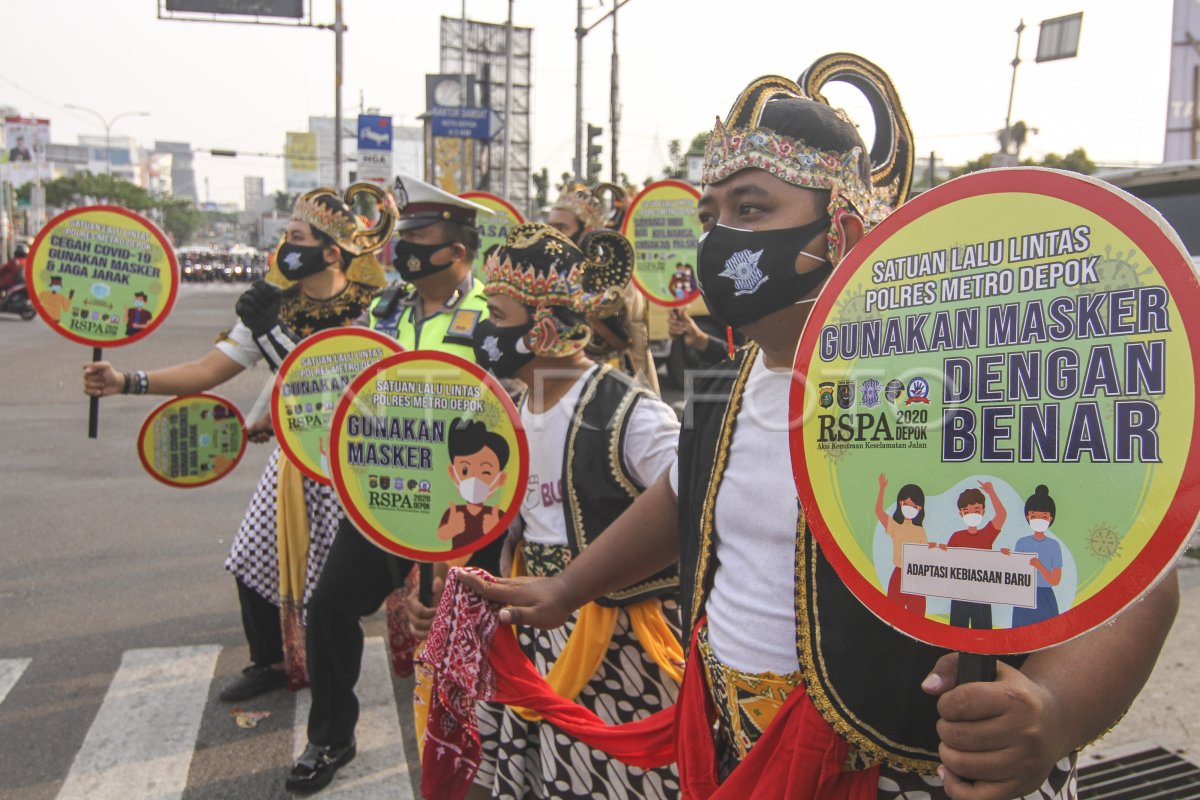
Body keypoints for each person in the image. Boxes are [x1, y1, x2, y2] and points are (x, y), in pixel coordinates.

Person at [463, 61, 1180, 800]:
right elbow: (685, 497)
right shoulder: (725, 385)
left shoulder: (946, 378)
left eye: (750, 210)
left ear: (837, 231)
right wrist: (566, 589)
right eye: (712, 218)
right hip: (731, 745)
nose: (717, 241)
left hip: (907, 764)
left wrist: (1055, 711)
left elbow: (1134, 576)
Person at [83, 185, 394, 704]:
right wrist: (125, 380)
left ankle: (334, 695)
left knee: (337, 590)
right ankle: (270, 660)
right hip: (296, 462)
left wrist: (273, 334)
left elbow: (333, 384)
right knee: (253, 555)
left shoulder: (379, 309)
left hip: (360, 463)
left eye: (296, 237)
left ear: (332, 251)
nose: (284, 247)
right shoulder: (272, 305)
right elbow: (208, 369)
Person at [412, 222, 683, 799]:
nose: (483, 328)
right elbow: (482, 518)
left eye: (498, 315)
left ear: (542, 327)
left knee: (617, 781)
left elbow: (696, 512)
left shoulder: (631, 414)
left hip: (617, 637)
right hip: (528, 623)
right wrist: (439, 582)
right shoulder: (504, 409)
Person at [288, 176, 499, 794]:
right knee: (328, 606)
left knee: (468, 624)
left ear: (456, 252)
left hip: (468, 500)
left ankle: (484, 745)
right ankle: (330, 736)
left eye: (416, 237)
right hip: (390, 492)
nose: (401, 248)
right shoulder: (384, 311)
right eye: (400, 236)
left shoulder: (491, 316)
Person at [547, 183, 660, 395]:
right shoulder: (543, 277)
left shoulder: (617, 281)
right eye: (550, 226)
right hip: (555, 383)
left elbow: (635, 344)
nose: (553, 235)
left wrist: (649, 396)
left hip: (607, 383)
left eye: (562, 228)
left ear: (587, 231)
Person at [945, 481, 1008, 630]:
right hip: (960, 592)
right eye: (967, 511)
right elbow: (946, 562)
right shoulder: (956, 537)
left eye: (976, 510)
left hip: (981, 592)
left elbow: (1002, 515)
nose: (972, 514)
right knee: (957, 632)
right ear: (961, 513)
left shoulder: (987, 534)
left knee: (983, 631)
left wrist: (991, 492)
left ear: (983, 511)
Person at [1011, 485, 1066, 627]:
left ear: (1050, 518)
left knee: (1049, 635)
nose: (1038, 520)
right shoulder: (1022, 543)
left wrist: (1039, 565)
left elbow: (1055, 580)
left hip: (1045, 597)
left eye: (1044, 517)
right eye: (1034, 516)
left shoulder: (1053, 545)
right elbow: (1016, 572)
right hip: (1024, 596)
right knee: (1019, 636)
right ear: (1028, 517)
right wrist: (1008, 557)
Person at [874, 474, 928, 616]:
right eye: (906, 504)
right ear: (900, 503)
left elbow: (925, 553)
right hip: (898, 575)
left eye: (914, 506)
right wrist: (882, 489)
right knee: (892, 614)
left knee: (917, 617)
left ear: (920, 509)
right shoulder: (895, 526)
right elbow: (879, 512)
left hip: (916, 575)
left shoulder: (920, 530)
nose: (910, 508)